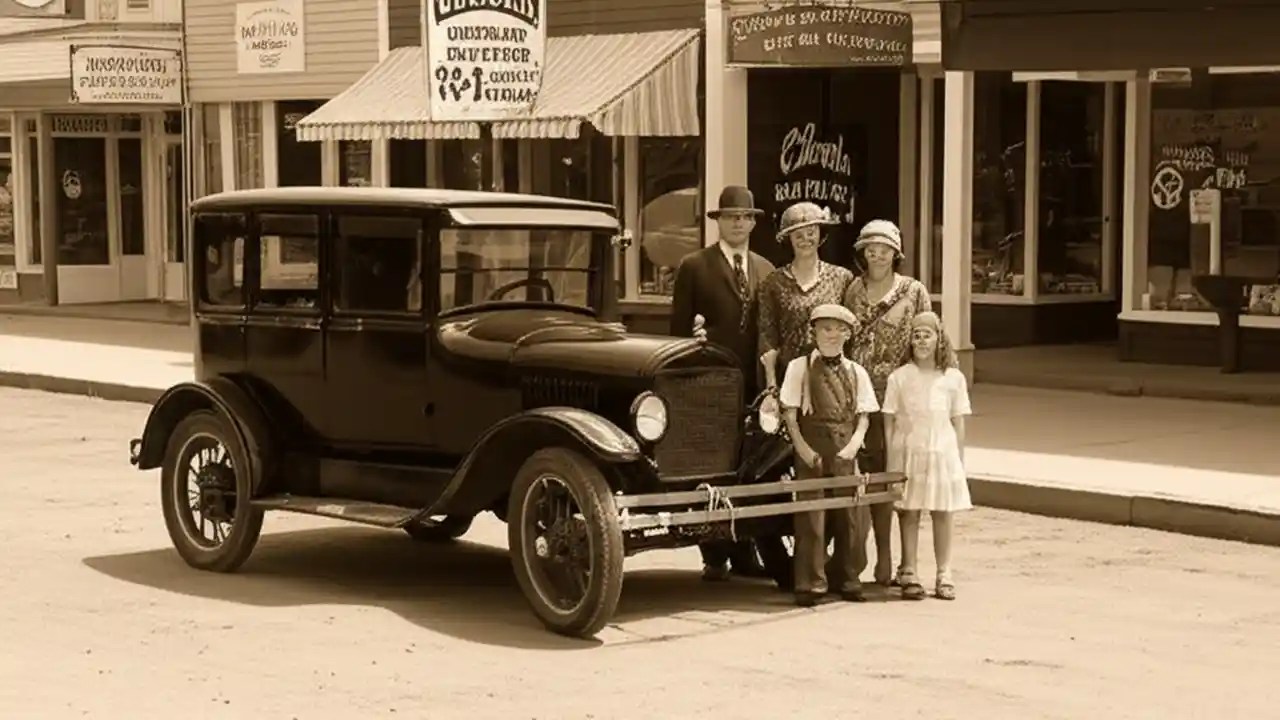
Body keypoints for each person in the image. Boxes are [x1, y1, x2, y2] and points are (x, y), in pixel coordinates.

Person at [670, 185, 779, 583]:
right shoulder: (694, 266)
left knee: (749, 466)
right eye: (731, 216)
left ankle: (745, 549)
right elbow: (678, 331)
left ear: (753, 222)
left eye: (745, 217)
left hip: (752, 385)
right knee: (710, 467)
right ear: (718, 221)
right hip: (708, 383)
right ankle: (715, 555)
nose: (739, 223)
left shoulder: (766, 269)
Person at [842, 219, 932, 587]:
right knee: (867, 483)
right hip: (860, 402)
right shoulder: (852, 290)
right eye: (870, 248)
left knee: (899, 480)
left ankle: (904, 563)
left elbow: (928, 343)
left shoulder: (914, 292)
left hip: (901, 403)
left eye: (884, 248)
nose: (877, 255)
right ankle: (875, 559)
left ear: (897, 253)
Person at [778, 303, 879, 607]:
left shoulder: (856, 372)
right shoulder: (799, 368)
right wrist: (804, 450)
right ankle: (810, 584)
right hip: (812, 449)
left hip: (845, 449)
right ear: (814, 332)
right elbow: (791, 416)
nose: (831, 335)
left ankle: (847, 578)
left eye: (838, 329)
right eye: (825, 329)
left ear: (847, 334)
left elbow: (864, 416)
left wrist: (852, 447)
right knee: (812, 517)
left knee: (849, 516)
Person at [881, 311, 973, 601]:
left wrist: (958, 458)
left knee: (942, 512)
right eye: (916, 335)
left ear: (939, 339)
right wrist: (892, 462)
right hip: (910, 450)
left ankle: (944, 572)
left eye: (928, 334)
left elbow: (958, 421)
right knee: (909, 511)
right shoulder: (899, 377)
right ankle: (909, 569)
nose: (921, 340)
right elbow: (889, 422)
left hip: (941, 451)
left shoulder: (953, 378)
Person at [757, 202, 856, 390]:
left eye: (811, 233)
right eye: (798, 235)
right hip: (788, 379)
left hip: (832, 379)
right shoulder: (773, 283)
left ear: (820, 235)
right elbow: (767, 337)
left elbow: (851, 332)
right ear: (789, 239)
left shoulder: (842, 278)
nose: (805, 240)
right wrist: (771, 385)